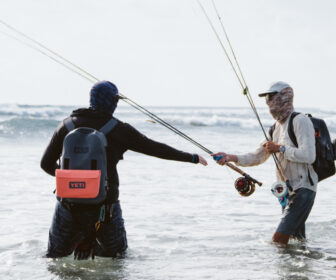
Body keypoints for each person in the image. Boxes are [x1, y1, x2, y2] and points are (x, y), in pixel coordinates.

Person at [41, 80, 208, 259]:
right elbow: (154, 148)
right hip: (105, 210)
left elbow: (46, 164)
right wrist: (191, 157)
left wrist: (75, 181)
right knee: (116, 262)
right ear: (113, 102)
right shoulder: (118, 129)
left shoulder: (66, 126)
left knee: (56, 261)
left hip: (68, 208)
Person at [212, 81, 317, 245]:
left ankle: (280, 267)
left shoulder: (300, 121)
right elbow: (256, 156)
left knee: (278, 240)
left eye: (270, 96)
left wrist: (280, 149)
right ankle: (301, 268)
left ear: (284, 97)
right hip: (287, 193)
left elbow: (309, 156)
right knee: (297, 242)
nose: (268, 102)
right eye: (266, 98)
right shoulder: (275, 128)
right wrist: (230, 157)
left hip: (303, 190)